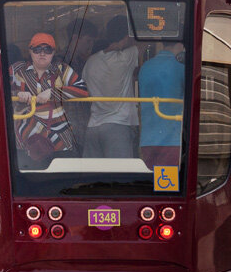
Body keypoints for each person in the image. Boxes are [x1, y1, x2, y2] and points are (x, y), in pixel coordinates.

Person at [9, 32, 87, 164]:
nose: (42, 53)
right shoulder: (16, 70)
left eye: (47, 49)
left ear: (54, 52)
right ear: (30, 51)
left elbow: (83, 90)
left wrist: (52, 93)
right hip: (25, 141)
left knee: (61, 180)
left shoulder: (61, 69)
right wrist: (16, 94)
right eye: (37, 49)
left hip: (60, 140)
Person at [82, 16, 139, 158]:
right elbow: (142, 41)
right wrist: (122, 44)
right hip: (118, 126)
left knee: (93, 177)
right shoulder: (127, 57)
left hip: (93, 126)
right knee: (119, 177)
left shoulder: (91, 61)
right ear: (127, 36)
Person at [138, 41, 184, 170]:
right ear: (181, 45)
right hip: (173, 138)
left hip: (148, 139)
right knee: (169, 185)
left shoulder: (145, 66)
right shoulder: (179, 66)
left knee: (153, 183)